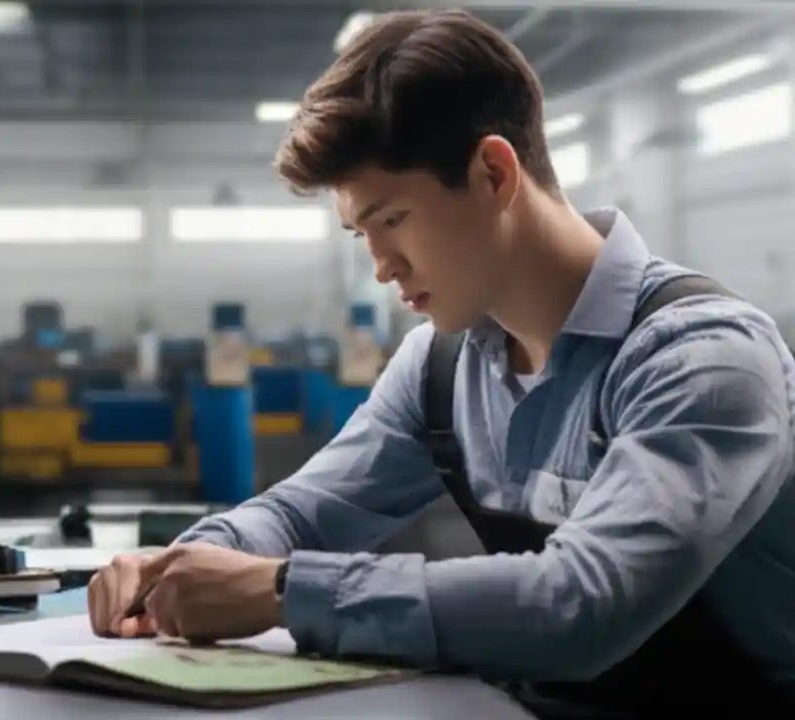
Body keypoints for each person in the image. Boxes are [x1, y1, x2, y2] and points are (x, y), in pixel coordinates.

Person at [86, 8, 795, 717]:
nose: (382, 268)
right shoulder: (442, 368)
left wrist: (280, 590)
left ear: (493, 172)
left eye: (393, 220)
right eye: (361, 234)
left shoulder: (701, 359)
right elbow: (304, 511)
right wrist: (182, 565)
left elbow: (583, 603)